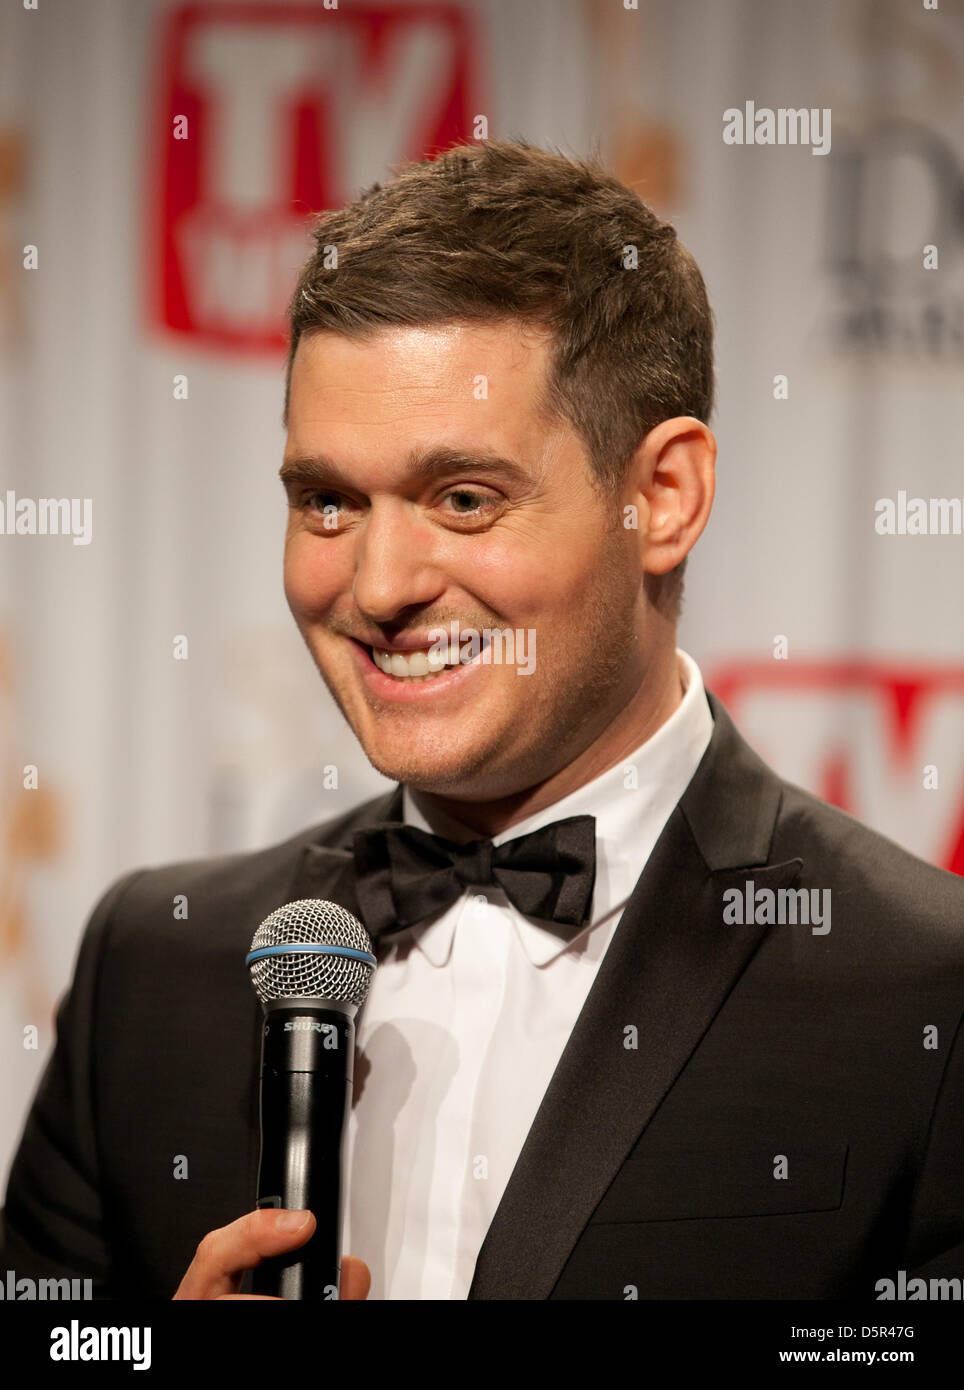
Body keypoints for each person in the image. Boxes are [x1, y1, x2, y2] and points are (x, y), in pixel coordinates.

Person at [2, 140, 962, 1301]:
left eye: (463, 499)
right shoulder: (153, 969)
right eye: (328, 502)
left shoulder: (922, 994)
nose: (379, 583)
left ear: (661, 498)